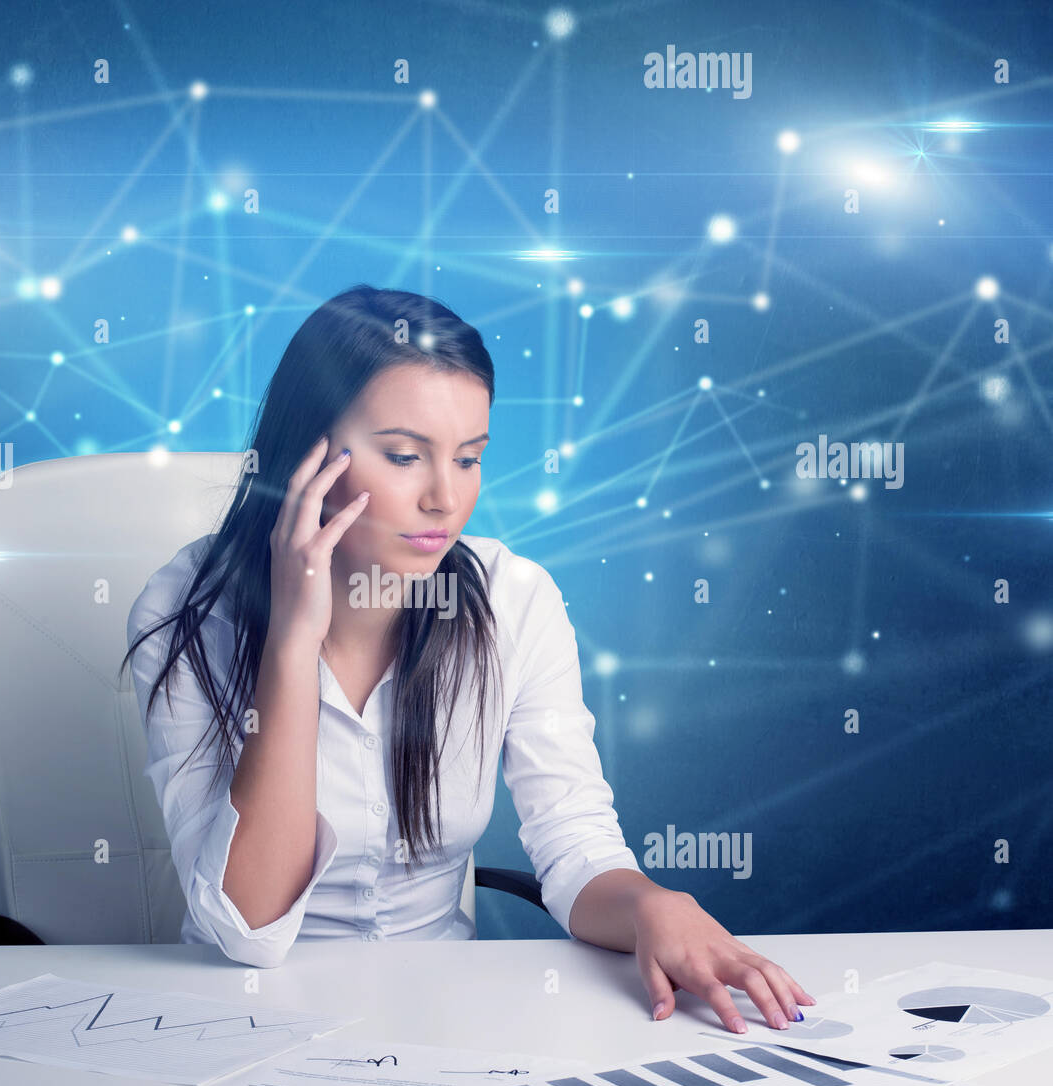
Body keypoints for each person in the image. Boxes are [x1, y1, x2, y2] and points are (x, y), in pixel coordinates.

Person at [122, 283, 816, 1035]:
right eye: (403, 456)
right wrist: (292, 642)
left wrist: (654, 905)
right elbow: (246, 929)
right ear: (306, 455)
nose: (445, 500)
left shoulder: (514, 600)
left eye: (469, 458)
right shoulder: (184, 611)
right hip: (239, 1019)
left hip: (441, 1022)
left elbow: (574, 844)